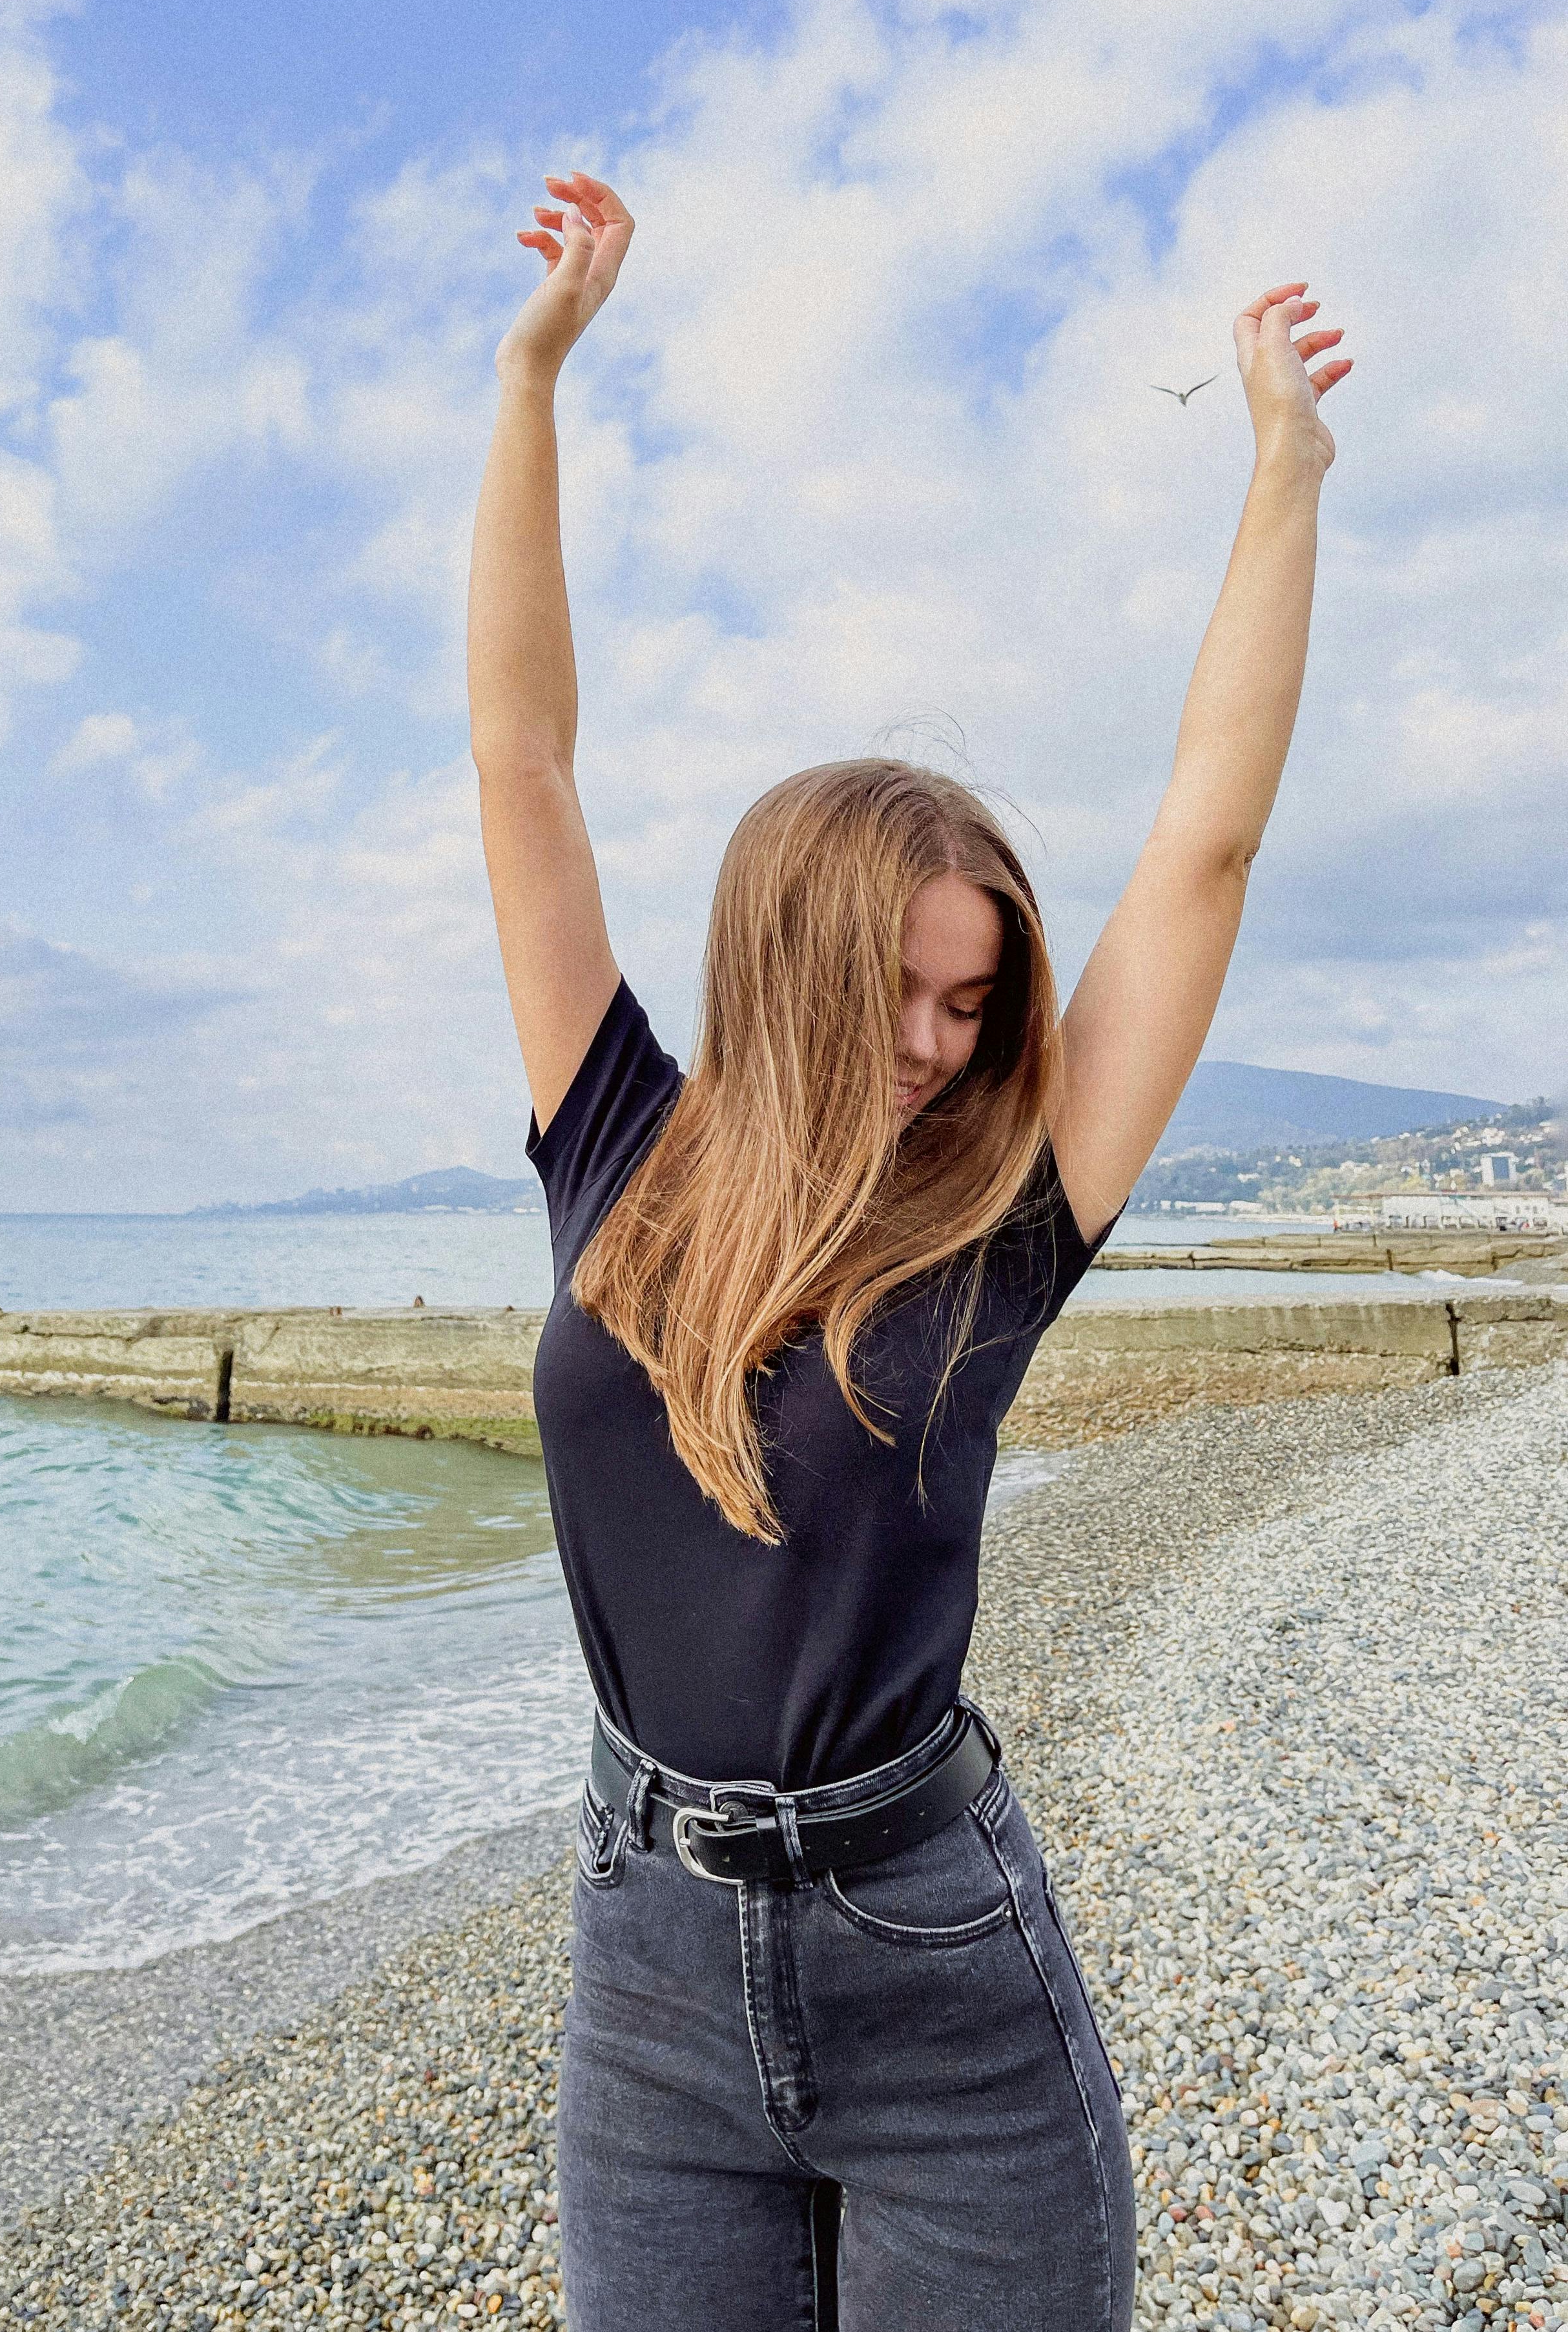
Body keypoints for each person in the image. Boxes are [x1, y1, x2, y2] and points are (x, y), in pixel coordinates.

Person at [467, 167, 1350, 2332]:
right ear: (789, 951)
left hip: (938, 1967)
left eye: (976, 1004)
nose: (940, 1047)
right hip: (649, 1974)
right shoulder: (622, 1149)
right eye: (904, 993)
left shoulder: (1000, 1220)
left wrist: (1284, 471)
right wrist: (530, 377)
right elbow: (525, 763)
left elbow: (1204, 850)